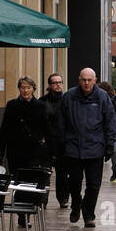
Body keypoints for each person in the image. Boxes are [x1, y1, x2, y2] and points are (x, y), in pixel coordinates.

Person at [55, 67, 116, 228]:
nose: (87, 83)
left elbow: (110, 122)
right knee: (74, 182)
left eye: (90, 80)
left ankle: (88, 213)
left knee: (94, 184)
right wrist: (61, 143)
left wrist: (110, 144)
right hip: (73, 148)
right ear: (79, 80)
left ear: (95, 80)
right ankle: (76, 205)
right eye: (84, 80)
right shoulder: (69, 97)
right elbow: (60, 121)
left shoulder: (102, 97)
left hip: (95, 148)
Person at [0, 76, 48, 177]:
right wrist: (0, 155)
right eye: (23, 87)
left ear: (33, 89)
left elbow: (46, 129)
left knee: (31, 183)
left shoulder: (40, 106)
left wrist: (49, 153)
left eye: (28, 87)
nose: (25, 90)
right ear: (19, 89)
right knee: (17, 181)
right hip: (15, 151)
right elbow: (4, 131)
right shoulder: (11, 105)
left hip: (34, 151)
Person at [41, 72, 69, 207]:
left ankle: (63, 198)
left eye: (60, 82)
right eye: (55, 83)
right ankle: (43, 199)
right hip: (46, 143)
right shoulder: (42, 101)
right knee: (45, 173)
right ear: (49, 85)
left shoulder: (67, 100)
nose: (58, 85)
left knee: (63, 174)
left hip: (62, 143)